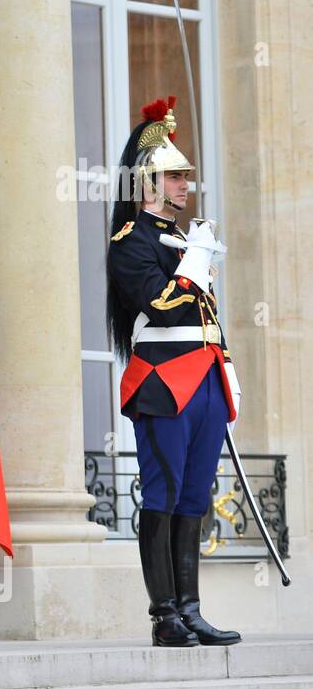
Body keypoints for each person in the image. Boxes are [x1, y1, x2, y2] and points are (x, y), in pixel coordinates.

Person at [106, 96, 241, 647]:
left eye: (186, 176)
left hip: (204, 377)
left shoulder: (186, 240)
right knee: (162, 493)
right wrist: (191, 266)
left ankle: (191, 608)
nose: (186, 185)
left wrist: (226, 369)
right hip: (164, 380)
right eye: (174, 176)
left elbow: (207, 317)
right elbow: (159, 303)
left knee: (195, 497)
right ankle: (164, 614)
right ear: (147, 183)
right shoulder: (131, 241)